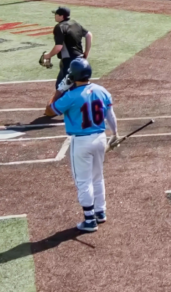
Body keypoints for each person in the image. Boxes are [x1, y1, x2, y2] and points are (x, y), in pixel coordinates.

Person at [51, 58, 118, 233]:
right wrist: (116, 134)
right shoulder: (102, 91)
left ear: (73, 75)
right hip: (100, 138)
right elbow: (111, 116)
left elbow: (49, 110)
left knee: (83, 181)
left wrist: (60, 90)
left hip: (81, 142)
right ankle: (100, 212)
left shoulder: (70, 96)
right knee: (97, 176)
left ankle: (89, 220)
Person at [44, 6, 92, 114]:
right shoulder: (75, 23)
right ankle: (80, 108)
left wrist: (48, 55)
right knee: (76, 85)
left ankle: (63, 109)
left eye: (56, 14)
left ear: (61, 16)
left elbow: (58, 47)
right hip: (80, 60)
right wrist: (86, 52)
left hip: (68, 61)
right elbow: (89, 35)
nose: (55, 16)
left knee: (62, 87)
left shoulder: (59, 27)